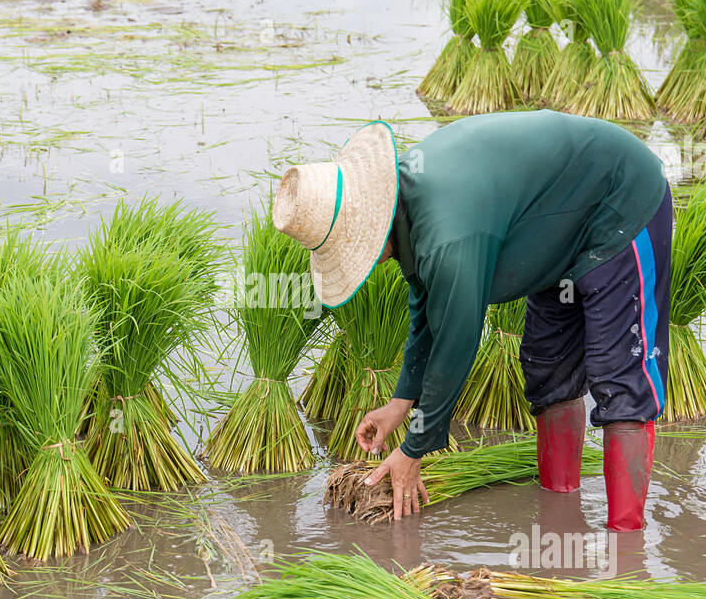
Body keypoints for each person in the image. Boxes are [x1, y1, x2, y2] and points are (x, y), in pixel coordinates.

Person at [272, 111, 671, 531]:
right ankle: (561, 511)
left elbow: (456, 344)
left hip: (619, 203)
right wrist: (401, 402)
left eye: (360, 249)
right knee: (548, 370)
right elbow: (428, 306)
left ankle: (625, 550)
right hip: (558, 229)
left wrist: (413, 452)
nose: (372, 261)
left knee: (620, 380)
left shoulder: (449, 232)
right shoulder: (406, 200)